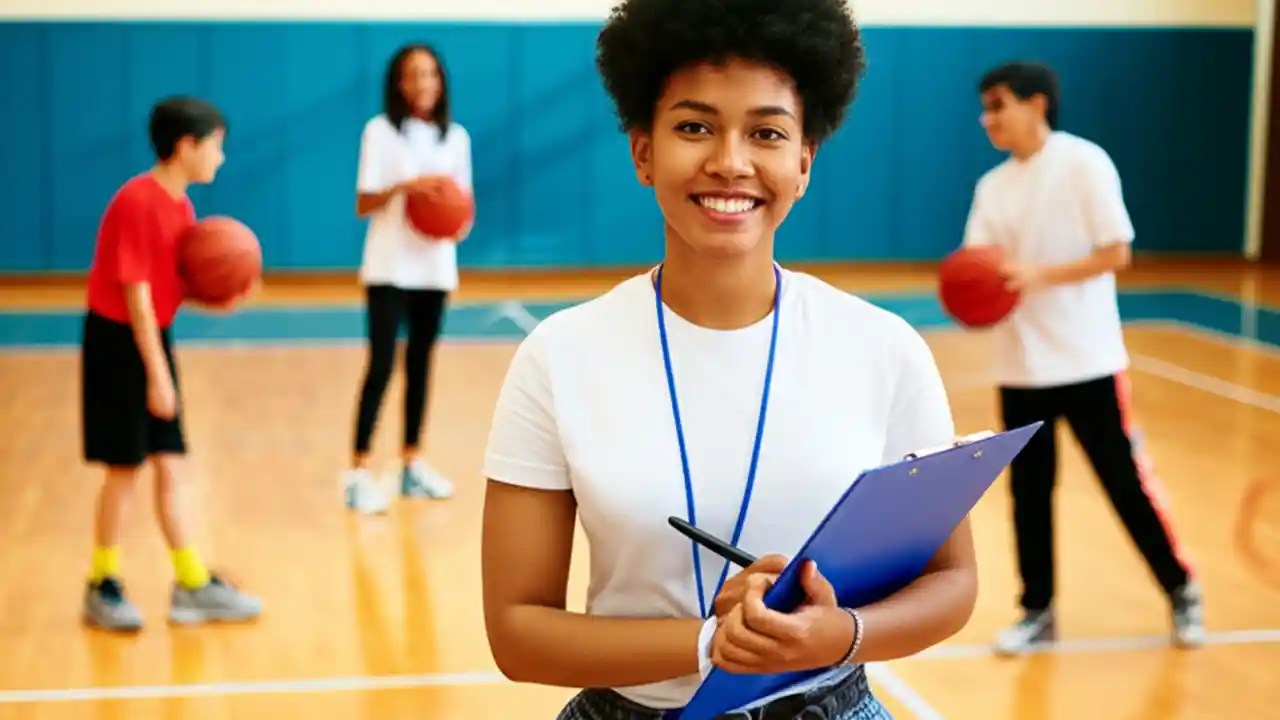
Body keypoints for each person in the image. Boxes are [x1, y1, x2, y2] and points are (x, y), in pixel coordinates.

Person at [480, 1, 980, 716]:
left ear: (804, 160)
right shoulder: (558, 357)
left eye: (767, 133)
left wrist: (841, 634)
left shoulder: (884, 348)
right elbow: (518, 633)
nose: (730, 162)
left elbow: (953, 583)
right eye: (693, 126)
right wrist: (711, 641)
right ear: (642, 151)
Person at [960, 61, 1204, 654]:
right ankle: (1037, 610)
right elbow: (981, 264)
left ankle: (1180, 587)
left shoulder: (1083, 162)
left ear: (1037, 104)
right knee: (1030, 494)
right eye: (985, 108)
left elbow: (1117, 251)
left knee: (1124, 484)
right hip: (1021, 366)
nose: (987, 118)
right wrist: (977, 288)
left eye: (998, 105)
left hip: (1089, 362)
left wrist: (1037, 275)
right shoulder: (992, 186)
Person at [80, 96, 262, 632]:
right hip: (120, 344)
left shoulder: (180, 206)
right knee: (125, 469)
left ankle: (190, 584)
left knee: (173, 466)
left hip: (149, 337)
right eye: (216, 147)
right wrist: (157, 375)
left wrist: (215, 297)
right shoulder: (137, 201)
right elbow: (136, 297)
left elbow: (167, 285)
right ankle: (101, 581)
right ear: (186, 146)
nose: (220, 159)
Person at [343, 43, 473, 514]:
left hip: (435, 268)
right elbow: (362, 203)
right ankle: (357, 471)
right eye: (413, 75)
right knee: (381, 365)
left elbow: (464, 209)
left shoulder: (455, 137)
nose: (423, 83)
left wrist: (452, 215)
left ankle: (410, 465)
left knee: (421, 364)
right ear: (398, 83)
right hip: (389, 266)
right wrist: (407, 187)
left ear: (441, 82)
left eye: (430, 74)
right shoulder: (379, 132)